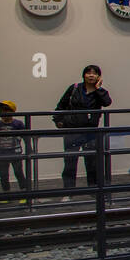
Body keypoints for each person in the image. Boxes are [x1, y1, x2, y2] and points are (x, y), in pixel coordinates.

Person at [53, 64, 112, 193]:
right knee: (70, 163)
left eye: (94, 73)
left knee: (92, 163)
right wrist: (58, 121)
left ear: (98, 77)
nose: (91, 75)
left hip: (91, 132)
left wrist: (98, 89)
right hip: (72, 131)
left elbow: (107, 102)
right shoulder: (74, 88)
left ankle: (93, 191)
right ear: (83, 75)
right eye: (88, 72)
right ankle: (68, 192)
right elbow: (61, 105)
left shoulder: (99, 92)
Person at [0, 100, 29, 204]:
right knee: (3, 174)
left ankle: (24, 194)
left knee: (19, 173)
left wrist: (29, 149)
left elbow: (26, 137)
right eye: (1, 111)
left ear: (12, 112)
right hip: (2, 153)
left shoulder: (18, 124)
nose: (3, 114)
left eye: (5, 111)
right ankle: (6, 194)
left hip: (15, 152)